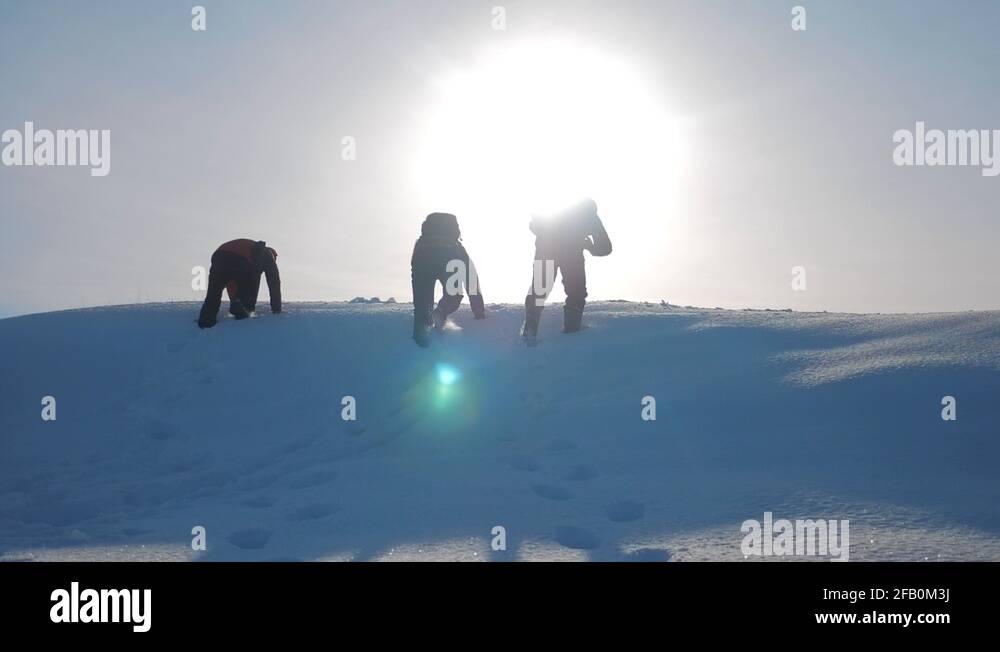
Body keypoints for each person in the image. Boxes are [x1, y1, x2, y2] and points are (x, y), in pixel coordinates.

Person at [522, 198, 611, 340]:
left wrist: (542, 232)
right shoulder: (590, 216)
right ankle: (572, 332)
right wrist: (589, 246)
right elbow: (605, 247)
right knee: (576, 293)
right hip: (571, 255)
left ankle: (530, 331)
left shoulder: (557, 208)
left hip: (546, 249)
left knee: (539, 290)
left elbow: (534, 223)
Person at [410, 212, 485, 347]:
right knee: (454, 295)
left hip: (422, 259)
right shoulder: (457, 247)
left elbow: (415, 270)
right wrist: (479, 311)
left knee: (423, 304)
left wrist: (421, 310)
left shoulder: (420, 243)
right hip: (450, 256)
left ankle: (421, 344)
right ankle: (439, 313)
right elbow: (471, 277)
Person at [198, 239, 281, 329]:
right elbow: (274, 282)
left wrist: (234, 300)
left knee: (214, 291)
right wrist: (276, 308)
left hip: (219, 255)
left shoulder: (250, 249)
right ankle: (241, 306)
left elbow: (232, 282)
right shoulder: (267, 254)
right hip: (239, 258)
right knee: (249, 279)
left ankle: (206, 319)